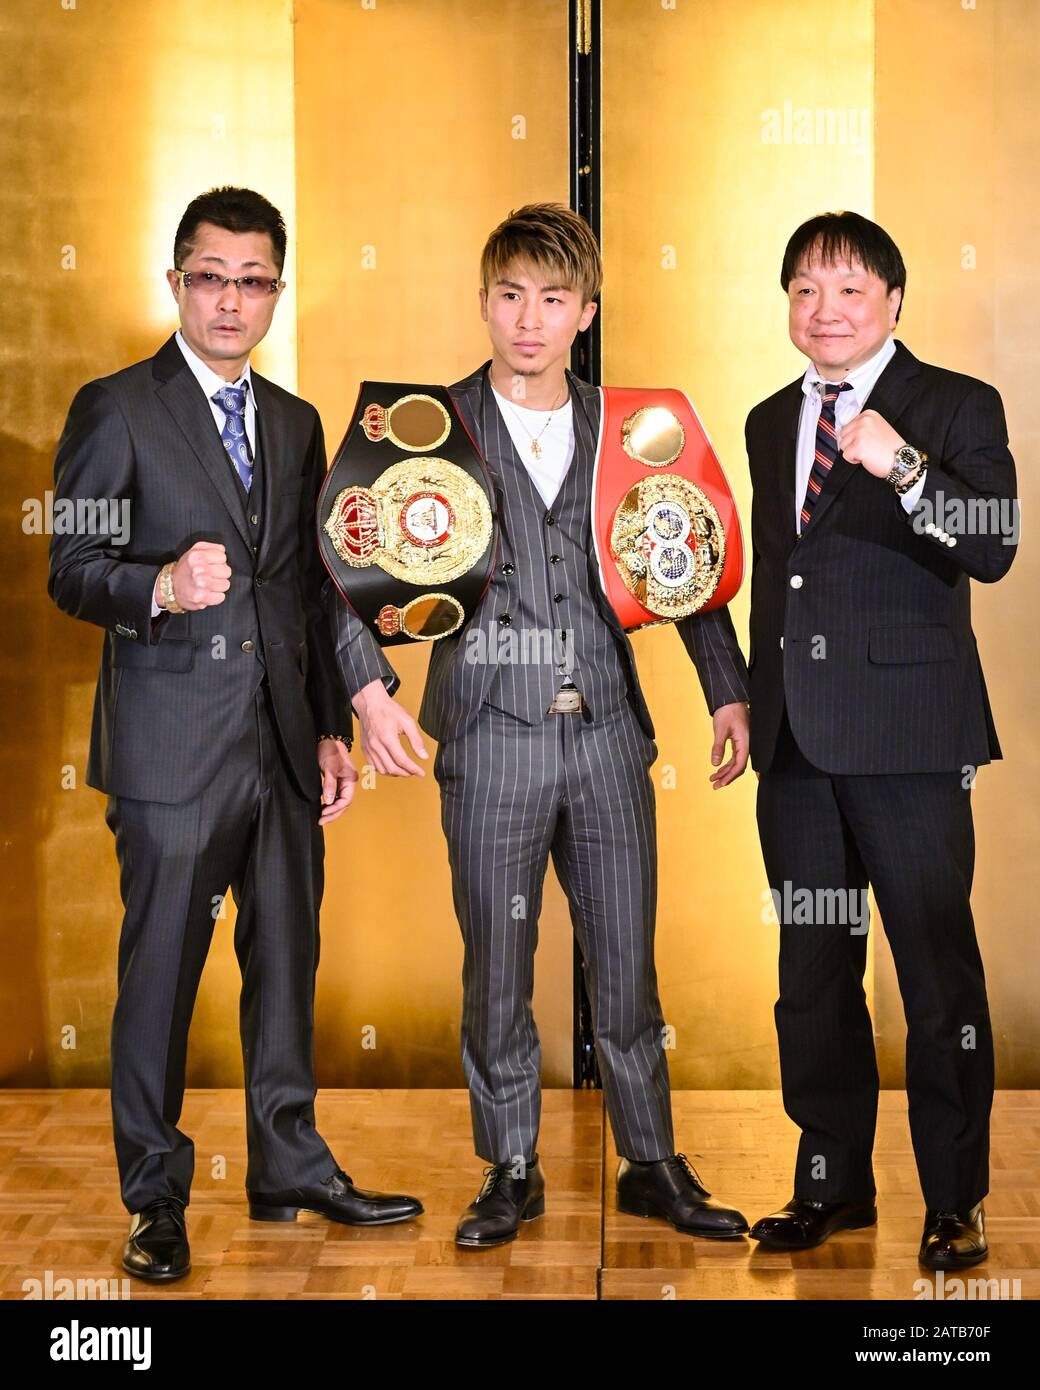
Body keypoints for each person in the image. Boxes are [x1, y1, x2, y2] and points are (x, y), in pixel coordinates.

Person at [331, 203, 752, 1248]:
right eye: (510, 295)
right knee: (497, 965)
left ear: (586, 312)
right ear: (483, 303)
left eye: (552, 299)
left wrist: (726, 690)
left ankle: (650, 1160)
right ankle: (509, 1165)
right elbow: (335, 573)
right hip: (487, 737)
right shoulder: (421, 427)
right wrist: (366, 688)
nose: (529, 319)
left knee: (626, 963)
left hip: (608, 735)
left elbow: (682, 561)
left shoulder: (633, 428)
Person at [48, 185, 422, 1284]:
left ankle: (287, 1163)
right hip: (169, 754)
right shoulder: (112, 407)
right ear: (175, 283)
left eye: (252, 280)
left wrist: (334, 723)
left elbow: (312, 592)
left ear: (275, 292)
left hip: (279, 747)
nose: (229, 299)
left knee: (285, 960)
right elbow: (67, 568)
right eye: (209, 276)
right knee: (159, 975)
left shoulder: (300, 423)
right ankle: (155, 1199)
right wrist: (158, 583)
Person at [744, 211, 1017, 1269]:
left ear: (893, 301)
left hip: (909, 742)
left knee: (932, 974)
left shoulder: (953, 403)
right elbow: (779, 575)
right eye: (805, 290)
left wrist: (903, 466)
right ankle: (830, 1183)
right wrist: (744, 702)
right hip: (796, 749)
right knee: (812, 969)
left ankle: (952, 1199)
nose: (824, 310)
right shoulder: (772, 418)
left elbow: (992, 547)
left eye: (848, 290)